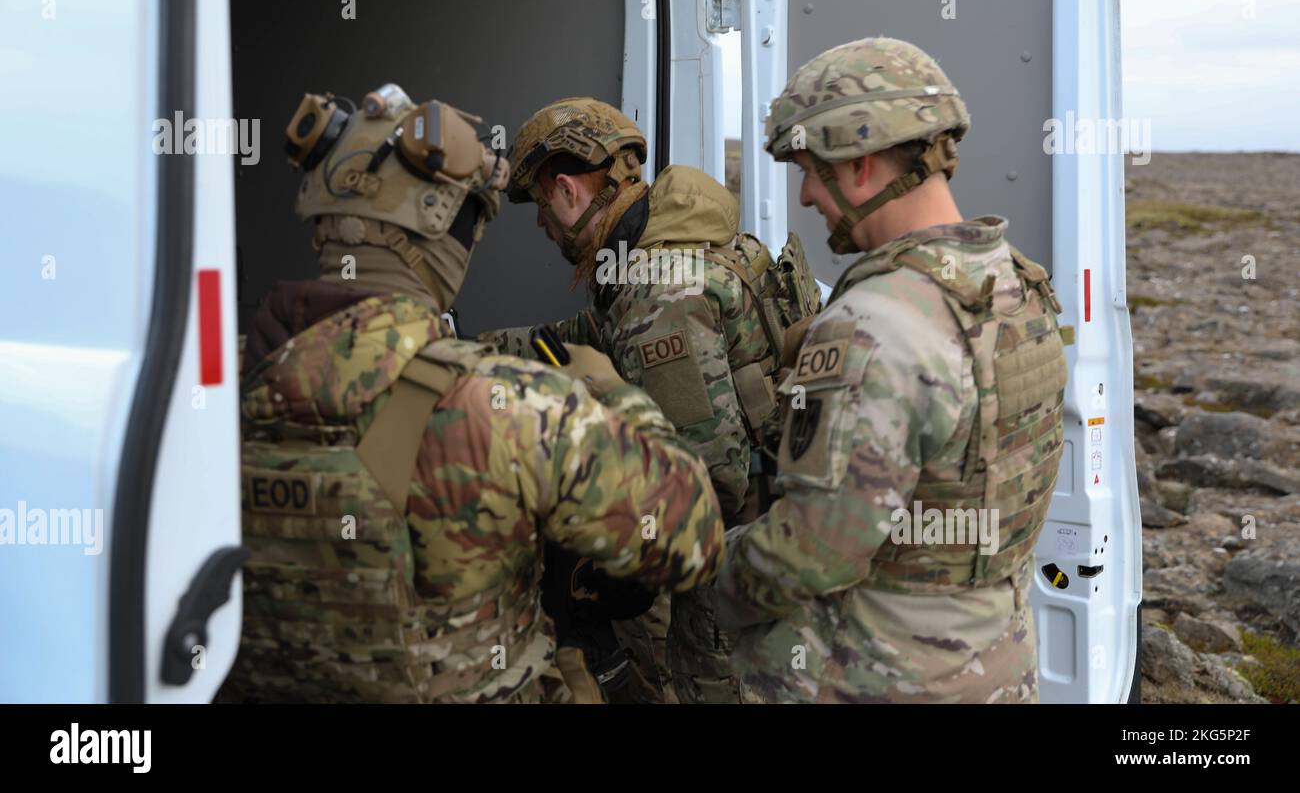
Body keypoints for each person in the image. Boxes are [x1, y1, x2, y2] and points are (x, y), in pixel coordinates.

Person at [219, 84, 724, 704]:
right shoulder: (509, 410)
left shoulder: (211, 395)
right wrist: (617, 396)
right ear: (439, 234)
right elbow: (691, 533)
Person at [712, 37, 1069, 703]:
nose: (809, 195)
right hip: (997, 665)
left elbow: (811, 553)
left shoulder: (874, 324)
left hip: (875, 676)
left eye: (811, 170)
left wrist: (705, 569)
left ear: (863, 164)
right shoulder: (1017, 284)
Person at [481, 97, 819, 703]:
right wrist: (466, 350)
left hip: (719, 587)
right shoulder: (670, 243)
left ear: (566, 191)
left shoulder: (657, 293)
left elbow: (708, 486)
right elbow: (581, 338)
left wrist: (598, 570)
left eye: (539, 207)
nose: (542, 226)